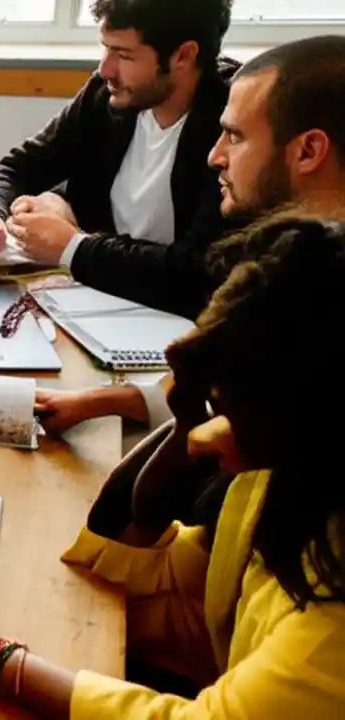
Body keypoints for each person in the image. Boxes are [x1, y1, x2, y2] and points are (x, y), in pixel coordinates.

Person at [0, 211, 345, 718]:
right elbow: (149, 557)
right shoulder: (290, 477)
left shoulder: (329, 632)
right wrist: (184, 416)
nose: (205, 437)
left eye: (225, 409)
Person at [36, 35, 345, 437]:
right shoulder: (288, 250)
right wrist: (100, 401)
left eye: (235, 136)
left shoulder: (315, 285)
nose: (215, 156)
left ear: (308, 151)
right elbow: (224, 393)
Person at [0, 0, 237, 318]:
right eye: (105, 48)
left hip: (177, 322)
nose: (105, 69)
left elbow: (196, 273)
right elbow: (19, 167)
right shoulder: (105, 95)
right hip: (96, 301)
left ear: (183, 55)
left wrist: (73, 247)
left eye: (124, 55)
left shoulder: (234, 126)